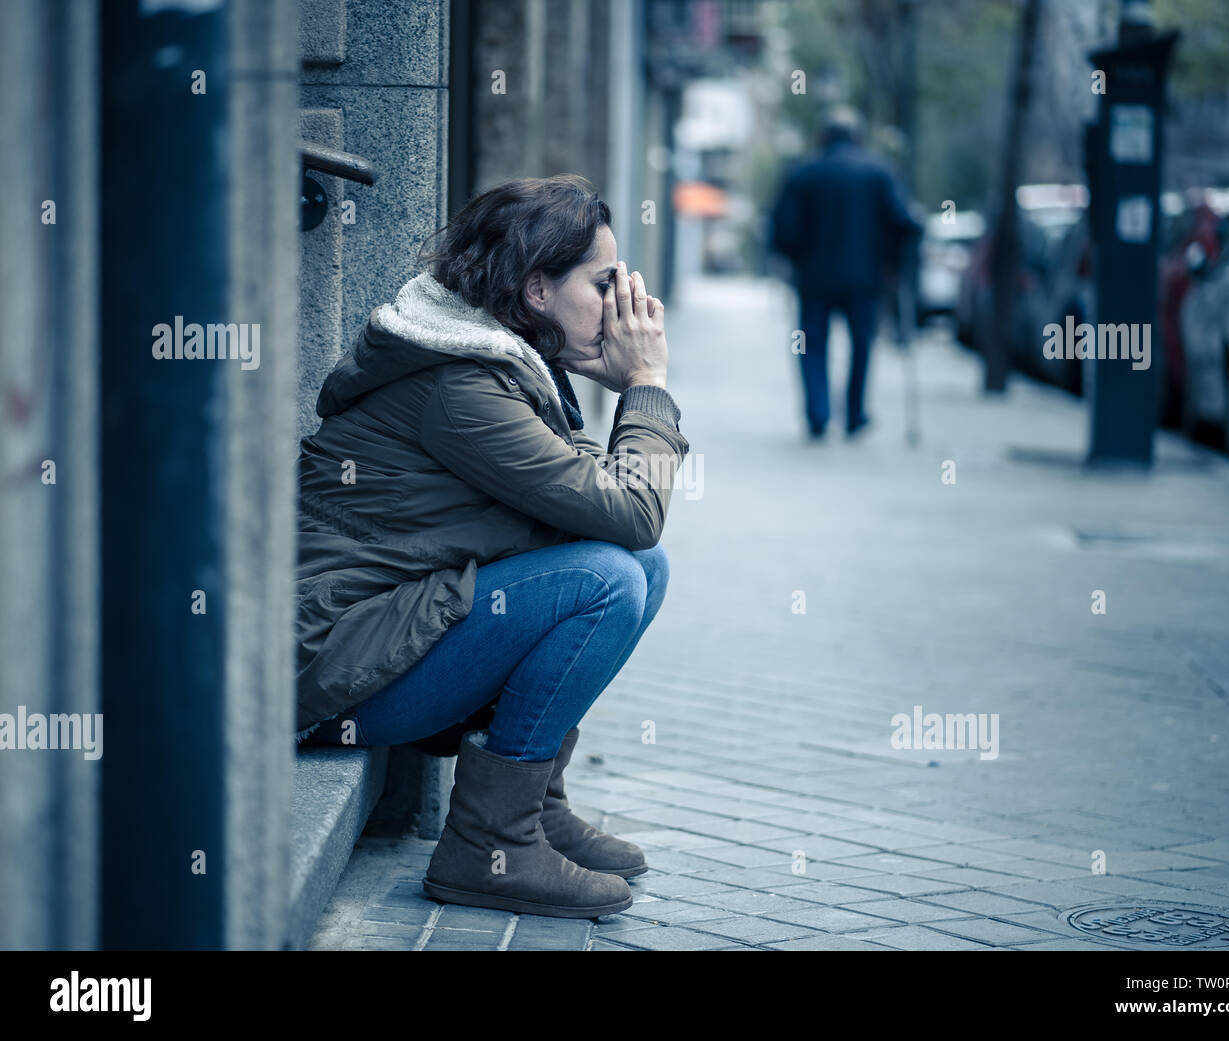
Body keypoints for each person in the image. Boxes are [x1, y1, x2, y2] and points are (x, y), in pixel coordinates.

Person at [294, 174, 689, 920]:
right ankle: (488, 840)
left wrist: (605, 382)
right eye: (603, 283)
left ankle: (532, 806)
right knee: (609, 578)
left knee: (639, 567)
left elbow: (603, 512)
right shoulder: (461, 388)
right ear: (538, 289)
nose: (620, 302)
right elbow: (633, 509)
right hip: (333, 666)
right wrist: (648, 384)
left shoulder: (494, 363)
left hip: (386, 628)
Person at [769, 106, 923, 440]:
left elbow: (782, 228)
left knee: (812, 345)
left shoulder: (805, 172)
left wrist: (796, 258)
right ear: (858, 136)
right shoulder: (879, 172)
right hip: (865, 279)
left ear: (823, 136)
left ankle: (819, 413)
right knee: (862, 345)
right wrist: (894, 263)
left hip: (813, 278)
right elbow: (905, 222)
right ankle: (854, 414)